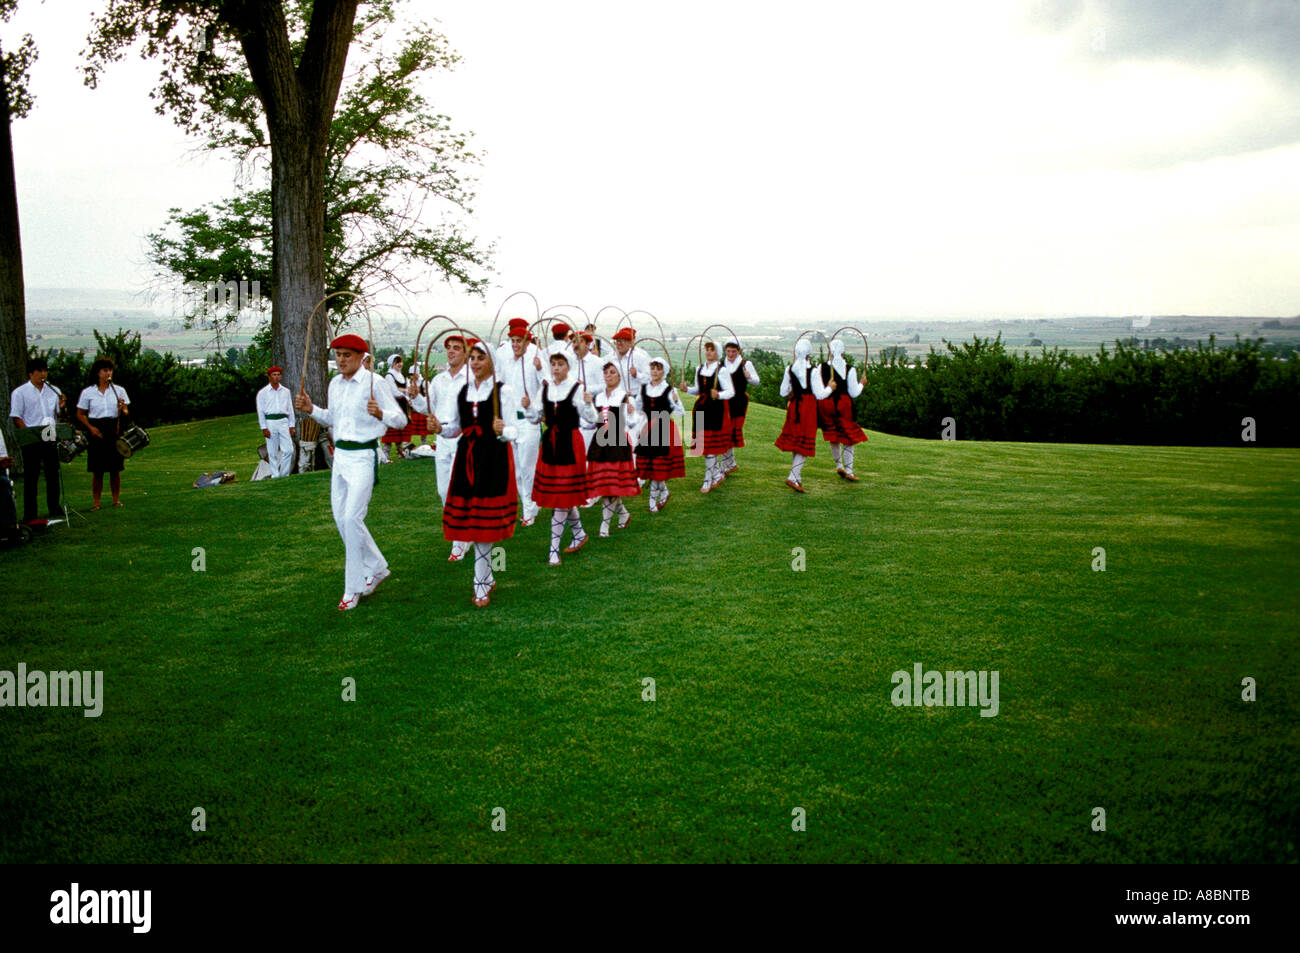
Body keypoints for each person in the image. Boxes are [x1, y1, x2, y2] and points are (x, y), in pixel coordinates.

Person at [294, 334, 407, 611]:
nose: (341, 360)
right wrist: (311, 409)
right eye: (338, 354)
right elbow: (333, 418)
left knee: (352, 518)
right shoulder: (335, 384)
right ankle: (377, 566)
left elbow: (401, 420)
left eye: (347, 355)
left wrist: (380, 414)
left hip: (363, 456)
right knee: (342, 520)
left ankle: (353, 587)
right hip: (341, 457)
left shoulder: (374, 382)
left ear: (360, 357)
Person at [431, 338, 520, 607]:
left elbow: (514, 430)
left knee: (485, 525)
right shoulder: (463, 391)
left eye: (481, 358)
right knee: (473, 520)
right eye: (473, 358)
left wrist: (502, 430)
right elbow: (455, 428)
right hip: (467, 459)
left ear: (492, 361)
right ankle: (488, 577)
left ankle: (480, 582)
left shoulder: (502, 391)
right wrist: (440, 428)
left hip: (493, 459)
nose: (476, 363)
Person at [529, 352, 596, 564]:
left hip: (570, 445)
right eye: (553, 364)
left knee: (562, 497)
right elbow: (534, 417)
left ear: (568, 366)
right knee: (562, 496)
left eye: (560, 364)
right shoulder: (545, 388)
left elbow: (592, 418)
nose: (556, 368)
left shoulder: (576, 389)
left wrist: (588, 404)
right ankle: (579, 534)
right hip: (551, 445)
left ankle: (553, 549)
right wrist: (527, 407)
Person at [409, 335, 471, 561]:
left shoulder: (471, 378)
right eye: (449, 348)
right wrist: (415, 397)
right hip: (442, 438)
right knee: (443, 490)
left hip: (463, 437)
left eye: (456, 348)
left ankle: (460, 539)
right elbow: (428, 408)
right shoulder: (439, 380)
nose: (451, 352)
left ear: (465, 353)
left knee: (460, 489)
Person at [495, 318, 543, 527]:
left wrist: (534, 406)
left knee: (526, 467)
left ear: (527, 342)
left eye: (519, 341)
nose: (515, 345)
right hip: (511, 422)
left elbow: (545, 385)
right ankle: (527, 505)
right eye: (513, 341)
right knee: (515, 469)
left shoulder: (535, 358)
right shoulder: (506, 362)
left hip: (529, 421)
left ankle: (530, 509)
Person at [585, 360, 640, 536]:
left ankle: (605, 525)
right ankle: (623, 514)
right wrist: (588, 406)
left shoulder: (625, 396)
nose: (608, 376)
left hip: (617, 443)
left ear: (619, 376)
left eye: (612, 372)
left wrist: (631, 412)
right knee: (605, 484)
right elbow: (592, 421)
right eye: (606, 372)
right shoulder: (599, 397)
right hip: (600, 444)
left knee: (611, 485)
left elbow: (632, 422)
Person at [10, 356, 65, 523]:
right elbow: (16, 416)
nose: (43, 374)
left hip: (49, 433)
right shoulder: (20, 392)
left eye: (45, 371)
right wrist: (28, 433)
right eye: (39, 371)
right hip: (32, 435)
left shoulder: (53, 390)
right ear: (31, 373)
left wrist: (62, 407)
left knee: (52, 473)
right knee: (31, 476)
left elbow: (58, 414)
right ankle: (30, 513)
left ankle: (54, 507)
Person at [774, 338, 832, 493]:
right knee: (804, 442)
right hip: (808, 407)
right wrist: (830, 388)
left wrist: (793, 386)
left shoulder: (790, 369)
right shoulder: (813, 371)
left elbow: (783, 392)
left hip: (794, 406)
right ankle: (793, 477)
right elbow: (820, 394)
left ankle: (797, 477)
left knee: (797, 441)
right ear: (809, 354)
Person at [76, 357, 133, 508]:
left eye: (110, 370)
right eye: (105, 370)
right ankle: (96, 503)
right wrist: (91, 428)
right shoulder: (88, 392)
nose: (108, 373)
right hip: (96, 428)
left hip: (113, 428)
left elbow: (126, 412)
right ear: (98, 373)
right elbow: (80, 414)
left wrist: (122, 409)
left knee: (115, 468)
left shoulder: (119, 390)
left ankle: (116, 500)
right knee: (97, 470)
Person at [633, 356, 686, 513]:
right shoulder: (644, 389)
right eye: (653, 368)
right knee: (651, 465)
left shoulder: (669, 390)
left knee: (658, 465)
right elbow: (638, 408)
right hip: (649, 428)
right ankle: (664, 492)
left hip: (664, 429)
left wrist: (676, 401)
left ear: (664, 372)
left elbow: (681, 413)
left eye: (658, 369)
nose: (655, 372)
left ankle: (652, 501)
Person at [683, 341, 734, 493]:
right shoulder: (699, 368)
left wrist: (719, 395)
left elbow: (730, 391)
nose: (709, 353)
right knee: (703, 446)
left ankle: (708, 478)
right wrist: (687, 389)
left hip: (715, 410)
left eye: (712, 350)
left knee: (710, 446)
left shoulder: (722, 370)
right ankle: (717, 474)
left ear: (718, 353)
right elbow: (698, 390)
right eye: (707, 350)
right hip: (701, 408)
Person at [817, 339, 868, 481]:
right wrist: (862, 384)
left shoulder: (821, 367)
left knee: (834, 436)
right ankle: (849, 471)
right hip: (843, 405)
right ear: (843, 352)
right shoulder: (850, 369)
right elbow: (854, 393)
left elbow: (819, 387)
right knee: (848, 438)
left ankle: (839, 465)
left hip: (826, 403)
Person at [720, 339, 760, 476]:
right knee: (726, 432)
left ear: (739, 351)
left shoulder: (745, 364)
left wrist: (749, 377)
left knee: (729, 432)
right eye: (728, 351)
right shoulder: (722, 364)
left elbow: (756, 382)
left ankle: (725, 466)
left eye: (734, 351)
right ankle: (730, 463)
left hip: (738, 403)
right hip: (725, 402)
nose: (731, 354)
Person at [255, 365, 295, 478]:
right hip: (270, 422)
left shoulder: (286, 391)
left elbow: (290, 409)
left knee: (289, 450)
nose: (276, 377)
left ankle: (284, 473)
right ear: (269, 377)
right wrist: (264, 427)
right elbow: (260, 411)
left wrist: (291, 425)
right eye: (274, 375)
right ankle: (275, 474)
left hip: (283, 421)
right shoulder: (263, 393)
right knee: (272, 451)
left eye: (278, 375)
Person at [380, 353, 417, 459]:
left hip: (403, 406)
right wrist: (405, 392)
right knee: (391, 431)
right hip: (393, 405)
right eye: (397, 362)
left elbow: (408, 390)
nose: (400, 364)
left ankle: (401, 452)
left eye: (400, 362)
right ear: (392, 364)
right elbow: (393, 392)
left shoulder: (402, 376)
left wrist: (406, 393)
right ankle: (386, 454)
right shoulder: (389, 376)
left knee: (402, 429)